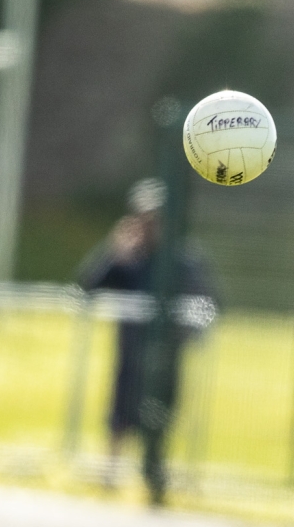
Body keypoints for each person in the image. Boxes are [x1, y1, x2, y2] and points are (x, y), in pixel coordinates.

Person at [76, 178, 217, 494]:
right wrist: (114, 252)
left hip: (166, 354)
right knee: (120, 412)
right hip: (131, 351)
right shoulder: (128, 260)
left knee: (162, 412)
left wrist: (188, 331)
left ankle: (154, 475)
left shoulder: (183, 259)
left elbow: (207, 301)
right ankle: (109, 473)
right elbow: (87, 285)